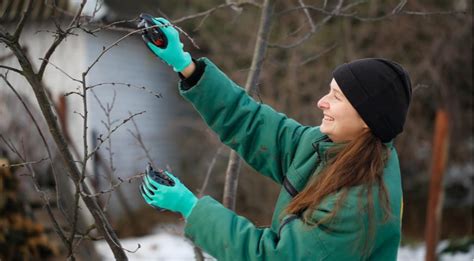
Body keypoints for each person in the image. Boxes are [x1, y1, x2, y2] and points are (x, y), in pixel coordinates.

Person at [138, 17, 412, 261]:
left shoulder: (359, 205)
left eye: (336, 97)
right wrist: (185, 64)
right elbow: (252, 125)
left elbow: (273, 257)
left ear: (367, 119)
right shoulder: (327, 148)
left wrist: (191, 207)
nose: (321, 102)